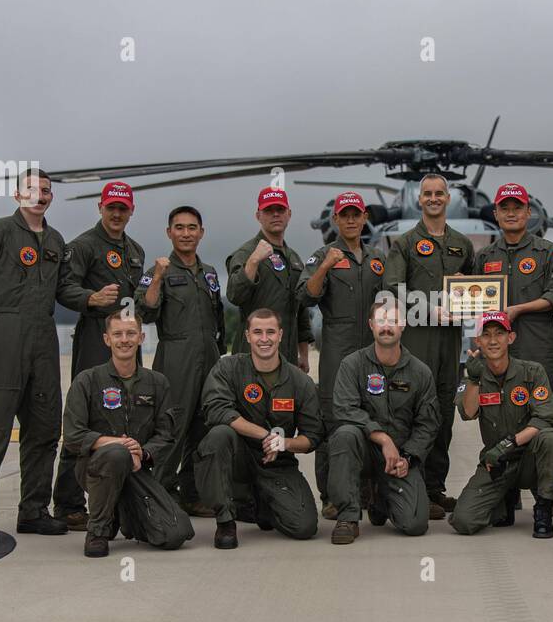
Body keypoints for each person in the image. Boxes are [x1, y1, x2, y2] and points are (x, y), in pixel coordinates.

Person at [0, 169, 74, 542]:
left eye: (45, 190)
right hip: (1, 338)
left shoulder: (56, 240)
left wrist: (93, 299)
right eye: (31, 189)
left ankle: (34, 510)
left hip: (42, 340)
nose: (39, 195)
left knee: (43, 428)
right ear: (16, 194)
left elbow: (64, 290)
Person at [53, 181, 146, 528]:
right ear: (100, 208)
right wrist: (91, 298)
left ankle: (118, 492)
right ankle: (67, 502)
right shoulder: (83, 246)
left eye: (123, 208)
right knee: (84, 414)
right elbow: (64, 288)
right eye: (112, 207)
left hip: (126, 342)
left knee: (125, 412)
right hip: (94, 338)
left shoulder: (135, 250)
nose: (117, 213)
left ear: (131, 210)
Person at [382, 174, 477, 518]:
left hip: (450, 343)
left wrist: (468, 288)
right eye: (428, 194)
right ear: (419, 200)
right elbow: (391, 286)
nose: (434, 199)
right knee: (413, 413)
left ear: (448, 198)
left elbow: (476, 286)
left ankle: (435, 488)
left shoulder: (462, 244)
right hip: (417, 339)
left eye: (439, 193)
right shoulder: (404, 244)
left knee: (443, 416)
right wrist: (426, 305)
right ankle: (410, 485)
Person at [62, 312, 192, 558]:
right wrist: (121, 446)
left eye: (131, 333)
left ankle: (121, 515)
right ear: (106, 339)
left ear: (141, 337)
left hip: (137, 469)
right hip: (94, 468)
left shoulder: (157, 383)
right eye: (117, 334)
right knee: (115, 455)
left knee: (176, 533)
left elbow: (167, 435)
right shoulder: (87, 381)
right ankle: (98, 531)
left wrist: (142, 452)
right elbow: (72, 435)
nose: (125, 340)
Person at [194, 309, 323, 547]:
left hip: (277, 464)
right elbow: (216, 410)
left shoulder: (300, 381)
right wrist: (266, 435)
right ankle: (225, 521)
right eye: (257, 332)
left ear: (281, 335)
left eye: (270, 332)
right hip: (238, 459)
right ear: (247, 336)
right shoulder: (227, 369)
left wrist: (284, 443)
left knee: (304, 527)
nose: (264, 339)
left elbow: (312, 437)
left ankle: (258, 506)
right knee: (219, 435)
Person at [298, 192, 386, 519]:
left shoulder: (377, 258)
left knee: (372, 416)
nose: (350, 220)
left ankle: (368, 491)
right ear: (335, 219)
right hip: (337, 346)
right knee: (333, 422)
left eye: (356, 214)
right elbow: (305, 296)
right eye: (344, 215)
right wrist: (325, 266)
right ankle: (331, 496)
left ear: (364, 218)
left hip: (372, 349)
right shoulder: (324, 254)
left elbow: (393, 294)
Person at [136, 206, 225, 517]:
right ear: (169, 233)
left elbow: (218, 317)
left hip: (209, 356)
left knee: (204, 426)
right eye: (179, 227)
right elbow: (145, 312)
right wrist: (159, 276)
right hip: (175, 356)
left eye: (192, 227)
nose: (186, 233)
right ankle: (158, 492)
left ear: (201, 232)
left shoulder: (210, 272)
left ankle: (192, 493)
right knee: (172, 426)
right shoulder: (157, 271)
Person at [327, 296, 438, 544]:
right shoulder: (352, 365)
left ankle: (382, 499)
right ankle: (347, 516)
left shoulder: (420, 372)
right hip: (363, 449)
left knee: (415, 524)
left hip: (399, 456)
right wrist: (381, 437)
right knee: (344, 434)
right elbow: (344, 409)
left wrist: (408, 457)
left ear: (403, 325)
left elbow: (427, 424)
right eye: (381, 320)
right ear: (371, 325)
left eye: (393, 320)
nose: (386, 326)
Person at [449, 311, 553, 538]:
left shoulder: (532, 372)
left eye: (499, 334)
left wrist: (511, 443)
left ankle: (543, 506)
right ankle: (506, 497)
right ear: (478, 341)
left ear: (511, 338)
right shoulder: (474, 375)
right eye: (487, 335)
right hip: (497, 462)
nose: (493, 340)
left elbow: (546, 417)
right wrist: (473, 379)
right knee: (464, 521)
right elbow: (467, 413)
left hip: (529, 457)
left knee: (551, 439)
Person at [474, 182, 553, 387]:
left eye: (517, 208)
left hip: (535, 345)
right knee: (495, 408)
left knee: (540, 406)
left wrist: (519, 309)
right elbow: (474, 300)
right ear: (495, 214)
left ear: (528, 213)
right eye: (504, 209)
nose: (511, 214)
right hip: (494, 346)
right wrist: (460, 288)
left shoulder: (546, 252)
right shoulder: (484, 256)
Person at [225, 187, 313, 369]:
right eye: (268, 210)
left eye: (280, 210)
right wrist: (254, 261)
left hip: (287, 355)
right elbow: (235, 295)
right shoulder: (246, 253)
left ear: (289, 214)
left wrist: (303, 354)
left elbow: (301, 310)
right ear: (258, 216)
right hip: (253, 355)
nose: (275, 215)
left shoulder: (294, 258)